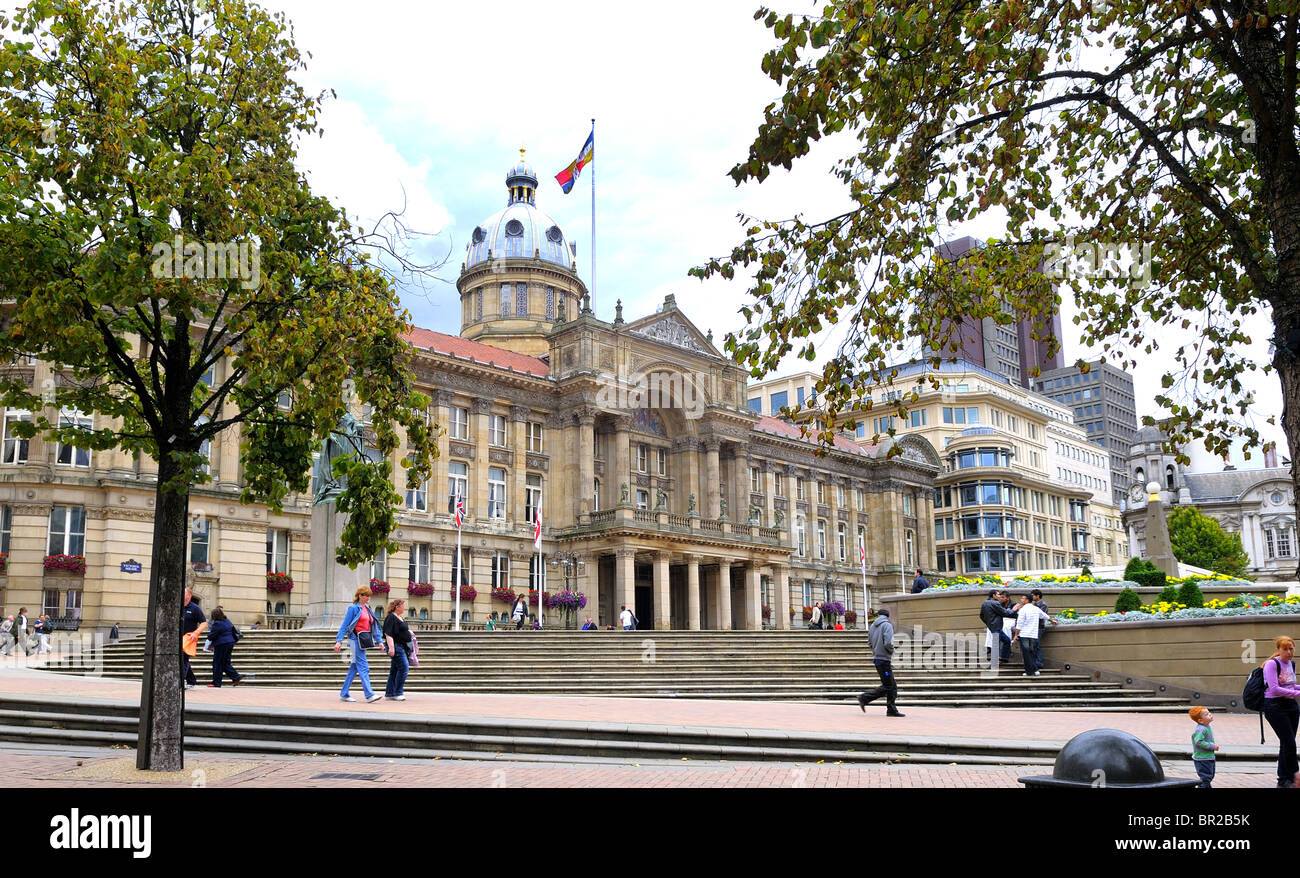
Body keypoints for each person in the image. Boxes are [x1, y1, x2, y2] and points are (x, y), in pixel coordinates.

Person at [332, 585, 384, 703]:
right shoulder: (353, 608)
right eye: (367, 596)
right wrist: (338, 641)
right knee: (364, 666)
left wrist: (380, 641)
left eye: (369, 596)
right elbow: (345, 625)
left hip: (363, 641)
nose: (368, 598)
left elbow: (373, 627)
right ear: (360, 596)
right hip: (354, 640)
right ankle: (369, 694)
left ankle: (344, 693)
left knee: (354, 667)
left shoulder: (367, 609)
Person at [1262, 635, 1300, 787]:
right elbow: (1274, 689)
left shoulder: (1291, 664)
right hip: (1275, 706)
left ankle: (1283, 780)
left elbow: (1290, 685)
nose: (1289, 652)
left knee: (1286, 743)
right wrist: (1297, 693)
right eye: (1285, 649)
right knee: (1289, 743)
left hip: (1291, 706)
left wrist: (1297, 690)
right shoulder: (1272, 664)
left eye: (1291, 649)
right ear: (1278, 650)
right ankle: (1295, 776)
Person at [857, 608, 903, 717]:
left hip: (877, 659)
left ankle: (891, 709)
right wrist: (892, 651)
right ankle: (865, 697)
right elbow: (888, 643)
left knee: (892, 685)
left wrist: (876, 650)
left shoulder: (872, 626)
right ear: (887, 616)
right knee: (889, 685)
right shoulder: (887, 625)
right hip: (884, 660)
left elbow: (869, 643)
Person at [1011, 591, 1056, 676]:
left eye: (1023, 598)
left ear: (1027, 600)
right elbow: (1044, 615)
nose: (1021, 600)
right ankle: (1035, 669)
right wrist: (1052, 620)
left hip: (1024, 634)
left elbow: (1019, 624)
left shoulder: (1023, 610)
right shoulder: (1036, 609)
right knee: (1032, 652)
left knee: (1026, 653)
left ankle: (1029, 671)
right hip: (1033, 634)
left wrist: (1016, 635)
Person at [978, 589, 1018, 671]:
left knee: (1007, 641)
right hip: (996, 627)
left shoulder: (985, 603)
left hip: (995, 627)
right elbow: (1006, 613)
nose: (999, 596)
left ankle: (1004, 658)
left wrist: (989, 623)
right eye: (998, 594)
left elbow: (981, 615)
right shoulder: (995, 603)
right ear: (993, 595)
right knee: (996, 646)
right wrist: (1013, 609)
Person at [206, 607, 245, 687]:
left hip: (221, 644)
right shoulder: (227, 621)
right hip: (230, 643)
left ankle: (217, 682)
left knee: (217, 663)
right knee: (225, 662)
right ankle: (235, 677)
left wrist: (208, 640)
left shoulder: (217, 623)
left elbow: (212, 635)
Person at [383, 598, 412, 701]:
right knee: (404, 668)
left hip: (402, 646)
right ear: (397, 607)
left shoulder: (400, 617)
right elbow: (388, 633)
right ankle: (398, 692)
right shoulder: (391, 617)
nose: (404, 608)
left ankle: (390, 693)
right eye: (403, 606)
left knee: (394, 670)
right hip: (396, 646)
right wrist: (391, 648)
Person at [181, 590, 206, 689]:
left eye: (184, 593)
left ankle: (180, 682)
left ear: (189, 595)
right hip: (177, 637)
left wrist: (196, 633)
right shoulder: (178, 606)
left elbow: (204, 623)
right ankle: (191, 680)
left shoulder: (195, 608)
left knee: (183, 658)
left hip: (189, 638)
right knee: (182, 658)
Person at [1189, 707, 1218, 788]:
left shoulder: (1207, 726)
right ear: (1201, 721)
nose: (1210, 714)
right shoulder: (1201, 729)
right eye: (1207, 714)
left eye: (1209, 713)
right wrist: (1212, 746)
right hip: (1202, 758)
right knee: (1206, 778)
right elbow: (1198, 741)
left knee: (1209, 776)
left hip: (1208, 757)